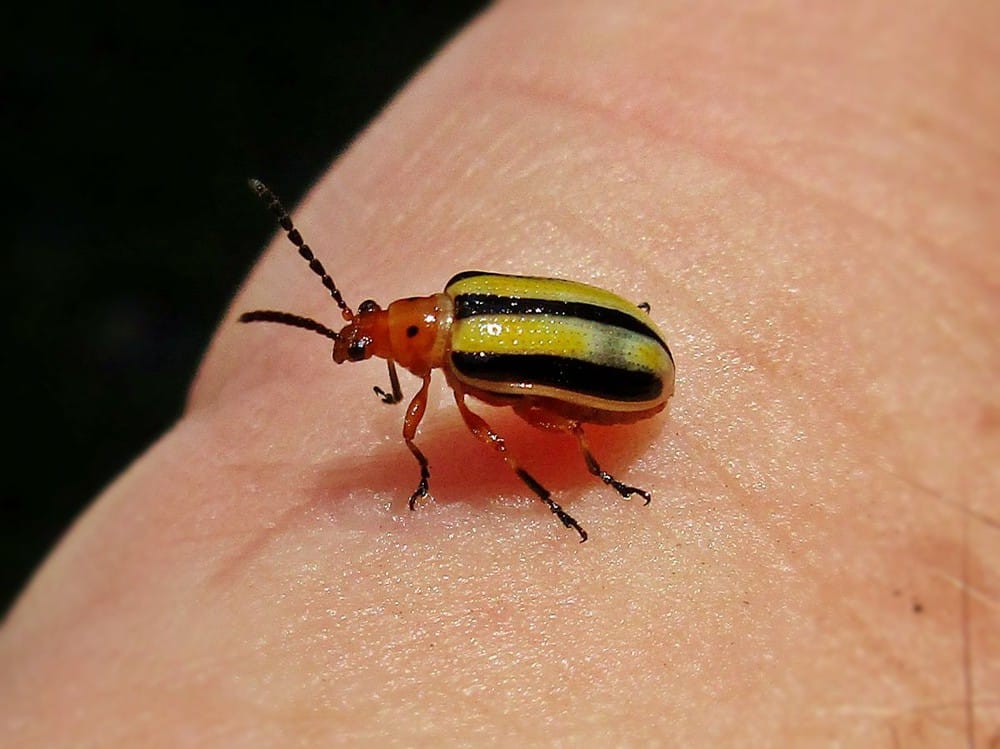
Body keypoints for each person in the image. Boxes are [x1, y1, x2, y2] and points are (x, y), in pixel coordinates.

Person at [2, 2, 995, 745]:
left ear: (410, 336)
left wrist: (557, 474)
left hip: (619, 376)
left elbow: (487, 418)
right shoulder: (457, 308)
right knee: (483, 420)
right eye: (370, 341)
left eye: (377, 339)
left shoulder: (462, 359)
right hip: (606, 341)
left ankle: (586, 484)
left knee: (513, 425)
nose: (374, 346)